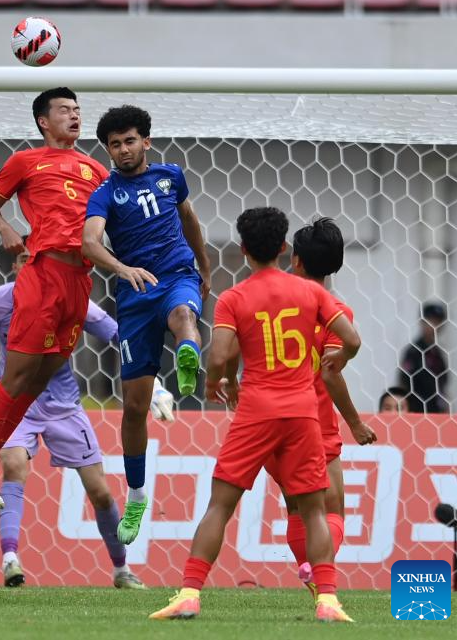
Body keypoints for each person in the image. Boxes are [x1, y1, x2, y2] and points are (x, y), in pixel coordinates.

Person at [149, 207, 360, 623]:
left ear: (243, 249)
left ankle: (190, 594)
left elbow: (221, 354)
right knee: (315, 510)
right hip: (302, 413)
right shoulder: (314, 294)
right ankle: (328, 601)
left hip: (256, 410)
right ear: (284, 248)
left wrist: (219, 384)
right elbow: (351, 339)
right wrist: (339, 358)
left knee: (220, 506)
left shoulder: (234, 298)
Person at [0, 240, 170, 589]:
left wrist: (154, 382)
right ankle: (10, 559)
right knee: (12, 464)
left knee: (99, 492)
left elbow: (117, 334)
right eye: (24, 259)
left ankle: (121, 569)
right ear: (16, 265)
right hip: (18, 404)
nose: (30, 265)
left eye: (36, 259)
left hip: (63, 406)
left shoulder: (71, 299)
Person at [0, 88, 110, 512]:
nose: (75, 116)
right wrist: (7, 230)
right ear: (44, 121)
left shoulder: (96, 169)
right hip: (42, 275)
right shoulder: (26, 161)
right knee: (18, 375)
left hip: (80, 281)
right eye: (65, 110)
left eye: (78, 110)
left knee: (39, 379)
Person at [81, 105, 211, 545]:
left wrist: (205, 269)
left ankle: (188, 355)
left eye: (129, 141)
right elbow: (89, 242)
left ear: (146, 142)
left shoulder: (171, 176)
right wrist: (121, 268)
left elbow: (190, 220)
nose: (122, 150)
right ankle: (136, 495)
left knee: (182, 316)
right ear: (107, 150)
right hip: (136, 294)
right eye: (114, 144)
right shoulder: (105, 192)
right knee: (135, 408)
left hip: (177, 275)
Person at [262, 218, 377, 596]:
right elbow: (330, 373)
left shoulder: (270, 302)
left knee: (296, 510)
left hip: (267, 419)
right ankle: (316, 567)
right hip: (314, 425)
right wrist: (357, 424)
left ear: (295, 260)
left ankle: (312, 580)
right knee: (331, 513)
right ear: (337, 264)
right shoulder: (335, 311)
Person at [398, 302, 450, 413]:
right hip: (416, 413)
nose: (435, 326)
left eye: (438, 322)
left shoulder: (438, 354)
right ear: (422, 322)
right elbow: (403, 383)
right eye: (431, 321)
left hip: (436, 414)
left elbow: (442, 386)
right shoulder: (413, 352)